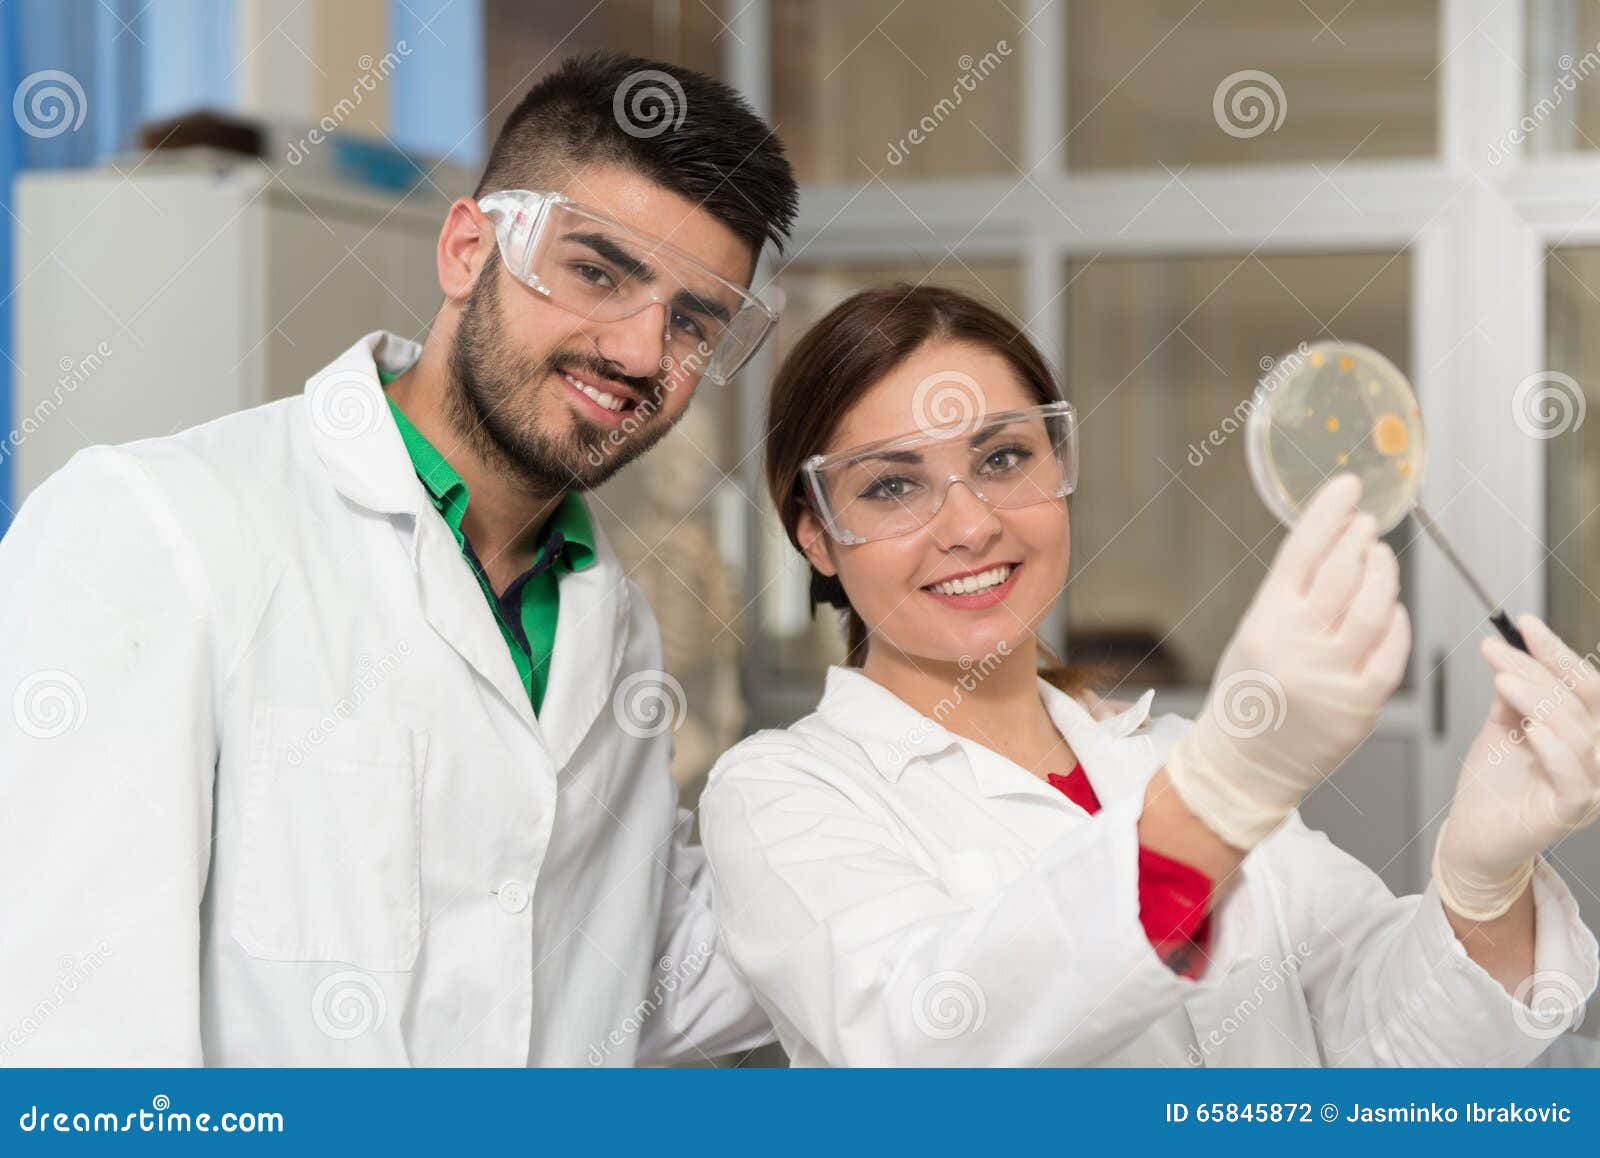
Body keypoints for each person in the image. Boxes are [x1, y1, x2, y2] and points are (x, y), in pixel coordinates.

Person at [0, 52, 797, 1065]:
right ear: (467, 249)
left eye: (693, 322)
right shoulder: (155, 525)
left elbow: (619, 972)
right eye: (597, 271)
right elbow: (59, 1036)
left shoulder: (611, 618)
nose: (642, 352)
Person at [697, 284, 1600, 1066]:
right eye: (892, 486)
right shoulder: (783, 792)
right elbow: (929, 1041)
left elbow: (1385, 1053)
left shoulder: (1165, 756)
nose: (969, 525)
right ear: (814, 534)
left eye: (1003, 458)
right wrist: (1214, 799)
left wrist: (1486, 883)